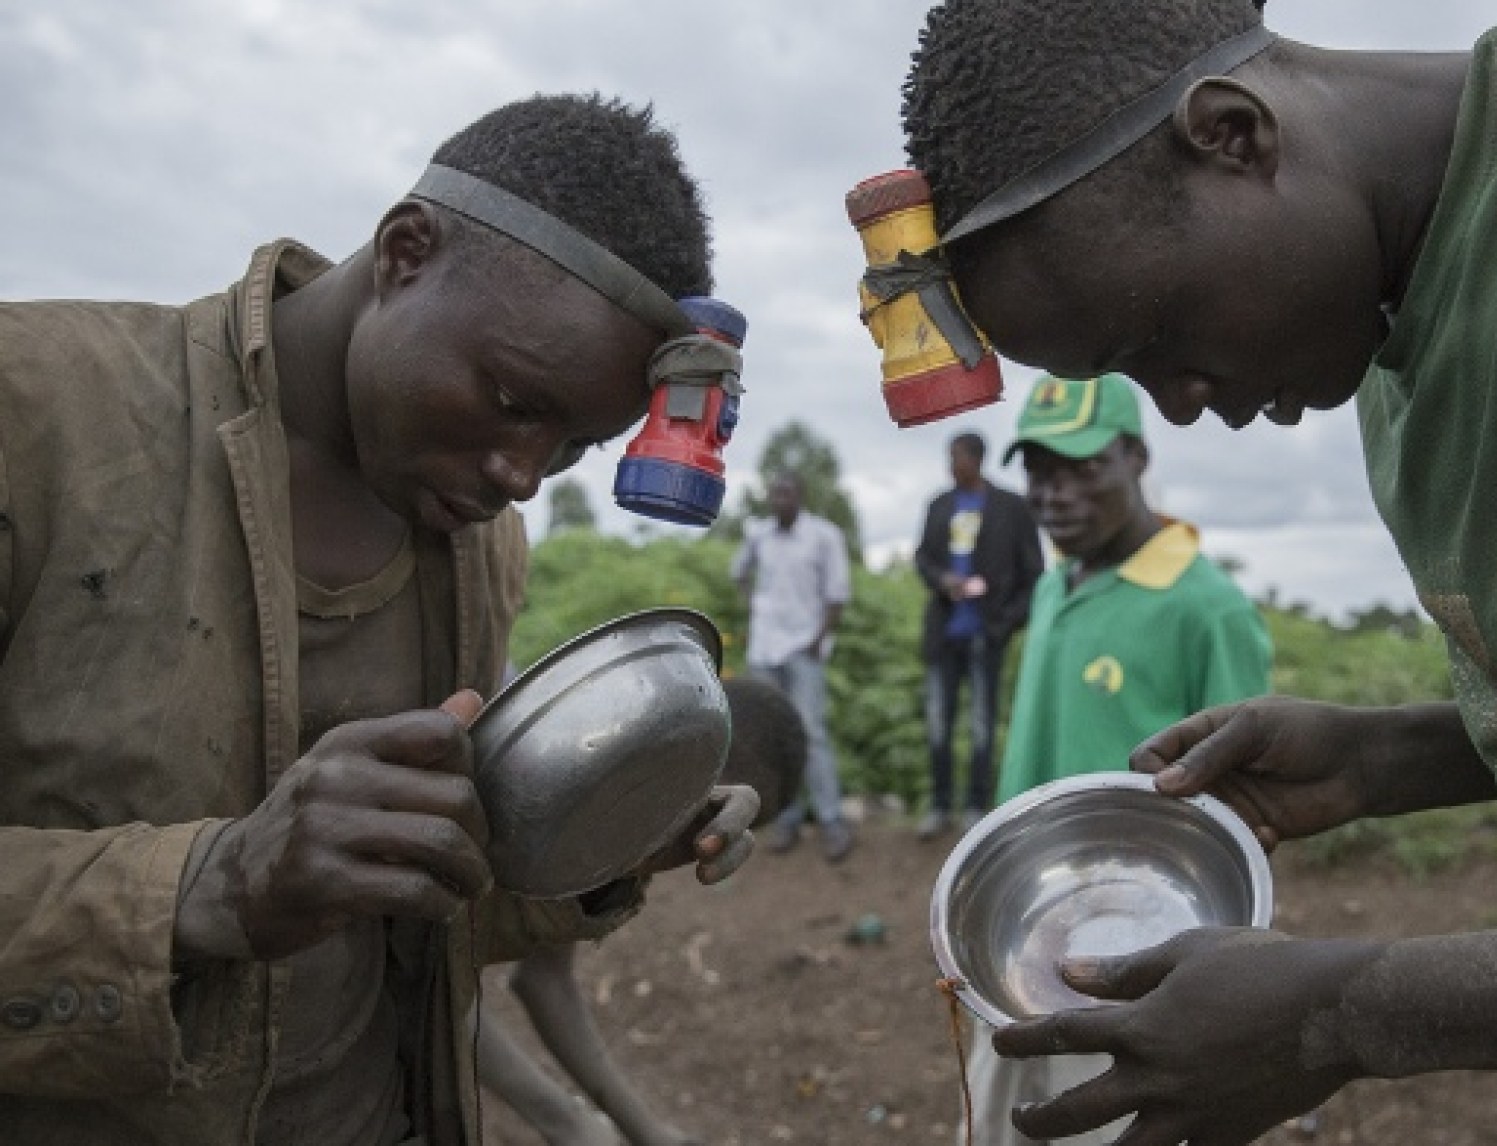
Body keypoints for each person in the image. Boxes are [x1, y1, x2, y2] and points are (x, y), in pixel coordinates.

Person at [896, 0, 1497, 1142]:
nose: (1179, 408)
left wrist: (1349, 1014)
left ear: (1233, 133)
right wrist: (1382, 758)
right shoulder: (1387, 347)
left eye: (1158, 336)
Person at [0, 94, 762, 1144]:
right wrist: (205, 885)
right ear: (407, 252)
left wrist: (598, 844)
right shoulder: (37, 415)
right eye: (512, 400)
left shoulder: (480, 542)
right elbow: (248, 884)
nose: (522, 477)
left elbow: (412, 916)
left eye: (575, 447)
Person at [962, 372, 1273, 1146]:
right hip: (1022, 930)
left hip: (1132, 957)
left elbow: (1244, 815)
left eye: (1081, 468)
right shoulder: (1054, 585)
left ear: (1135, 456)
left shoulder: (1204, 608)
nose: (1054, 494)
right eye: (1039, 471)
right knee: (998, 1114)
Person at [479, 676, 808, 1146]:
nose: (709, 844)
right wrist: (567, 1123)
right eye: (717, 811)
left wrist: (646, 1131)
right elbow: (428, 974)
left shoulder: (633, 826)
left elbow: (542, 978)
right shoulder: (541, 763)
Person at [913, 430, 1044, 839]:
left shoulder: (1011, 507)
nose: (951, 465)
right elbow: (922, 558)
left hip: (987, 635)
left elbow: (1033, 574)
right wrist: (943, 580)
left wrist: (1006, 623)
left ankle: (975, 806)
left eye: (956, 456)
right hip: (944, 634)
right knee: (939, 723)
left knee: (983, 726)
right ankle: (939, 806)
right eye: (948, 456)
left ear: (977, 459)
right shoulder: (939, 505)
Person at [732, 471, 856, 862]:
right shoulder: (759, 536)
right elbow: (739, 572)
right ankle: (786, 819)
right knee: (773, 736)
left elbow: (837, 593)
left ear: (800, 496)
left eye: (787, 493)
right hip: (765, 647)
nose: (779, 500)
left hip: (804, 646)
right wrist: (755, 605)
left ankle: (832, 820)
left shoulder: (823, 536)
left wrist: (820, 638)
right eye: (775, 494)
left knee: (811, 733)